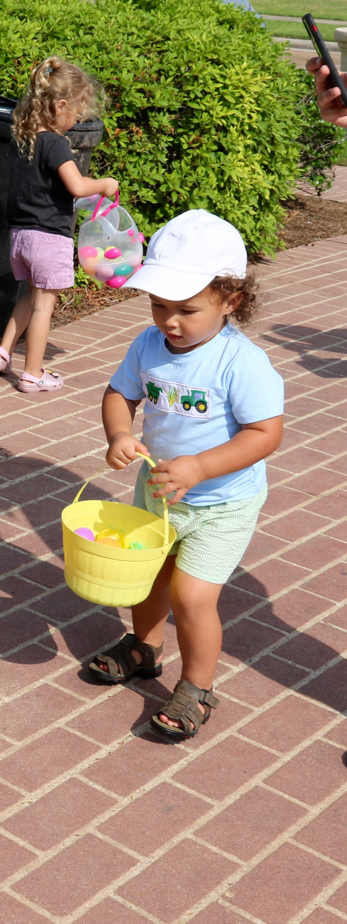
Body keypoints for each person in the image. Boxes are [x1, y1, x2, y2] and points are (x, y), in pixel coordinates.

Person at [90, 210, 284, 740]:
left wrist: (200, 467)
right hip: (157, 492)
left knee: (192, 598)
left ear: (231, 299)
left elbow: (265, 433)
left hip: (222, 504)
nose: (168, 320)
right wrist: (118, 434)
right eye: (158, 305)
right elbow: (119, 393)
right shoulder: (148, 345)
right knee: (147, 577)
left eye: (186, 309)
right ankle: (144, 649)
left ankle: (198, 686)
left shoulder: (240, 363)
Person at [0, 57, 119, 392]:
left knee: (29, 298)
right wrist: (103, 183)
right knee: (45, 306)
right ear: (60, 106)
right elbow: (76, 186)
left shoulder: (24, 139)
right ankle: (33, 373)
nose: (76, 120)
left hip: (22, 236)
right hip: (48, 238)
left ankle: (2, 351)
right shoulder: (56, 143)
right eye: (76, 112)